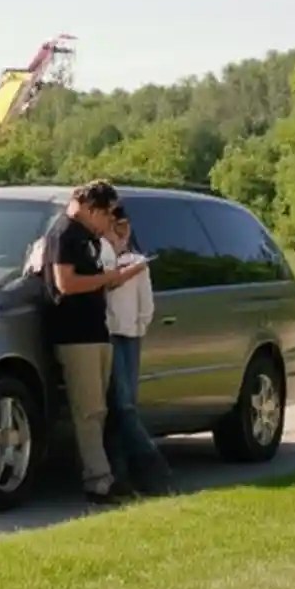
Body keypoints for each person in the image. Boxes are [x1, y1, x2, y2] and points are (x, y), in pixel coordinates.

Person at [40, 180, 148, 504]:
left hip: (96, 330)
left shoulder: (89, 238)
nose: (108, 222)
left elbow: (94, 282)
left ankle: (103, 473)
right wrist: (111, 278)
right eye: (106, 214)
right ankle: (98, 481)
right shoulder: (64, 234)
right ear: (90, 208)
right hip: (74, 333)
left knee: (99, 409)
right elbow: (66, 282)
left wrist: (121, 276)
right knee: (88, 410)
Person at [100, 206, 171, 495]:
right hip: (108, 335)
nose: (121, 232)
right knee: (121, 404)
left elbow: (146, 300)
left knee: (126, 402)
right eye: (115, 225)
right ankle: (153, 465)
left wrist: (141, 325)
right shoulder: (102, 257)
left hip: (130, 335)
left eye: (124, 226)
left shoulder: (138, 262)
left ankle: (123, 473)